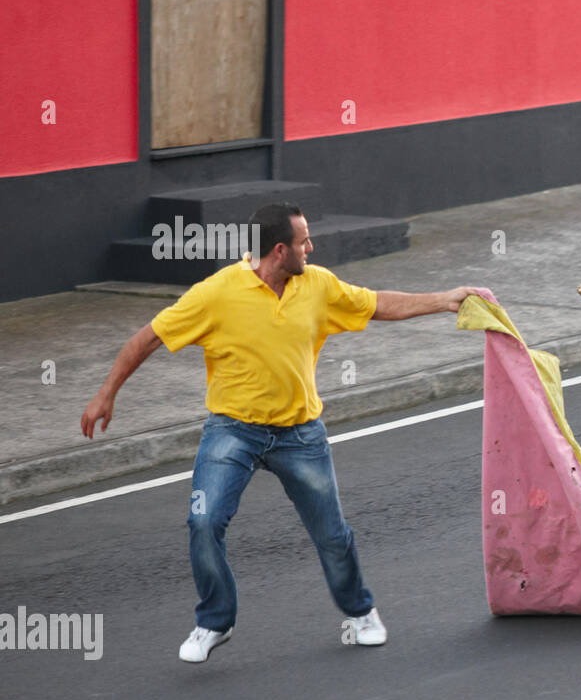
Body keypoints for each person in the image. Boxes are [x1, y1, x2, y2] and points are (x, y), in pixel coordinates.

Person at [80, 202, 490, 662]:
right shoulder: (216, 294)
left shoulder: (317, 286)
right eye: (304, 241)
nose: (311, 248)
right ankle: (214, 621)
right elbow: (148, 338)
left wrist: (444, 299)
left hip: (300, 434)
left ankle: (360, 613)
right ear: (280, 250)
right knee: (203, 521)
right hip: (232, 430)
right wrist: (105, 394)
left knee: (332, 533)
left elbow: (376, 304)